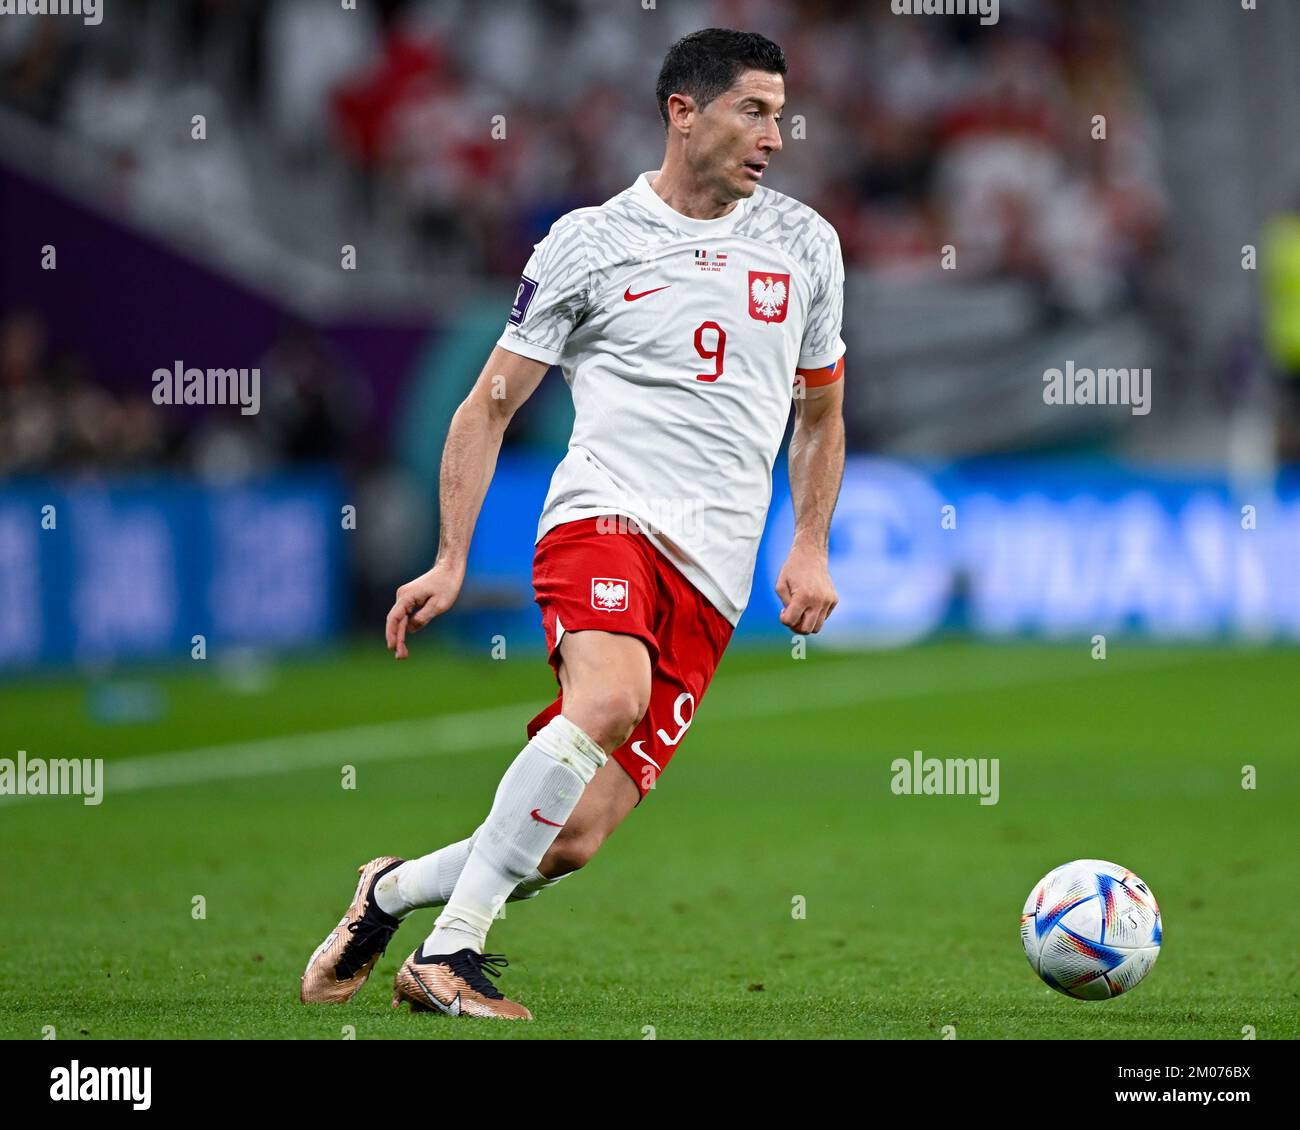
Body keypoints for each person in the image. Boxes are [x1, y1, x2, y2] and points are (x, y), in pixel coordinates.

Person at [301, 27, 846, 1020]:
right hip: (606, 516)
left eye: (780, 111)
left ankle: (387, 889)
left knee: (569, 839)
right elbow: (489, 405)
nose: (775, 133)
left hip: (714, 573)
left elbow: (820, 414)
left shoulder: (806, 243)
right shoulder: (588, 241)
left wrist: (807, 541)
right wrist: (452, 556)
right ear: (683, 112)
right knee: (606, 698)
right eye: (752, 109)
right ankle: (448, 953)